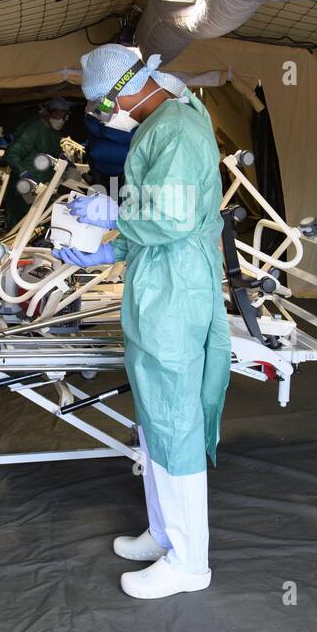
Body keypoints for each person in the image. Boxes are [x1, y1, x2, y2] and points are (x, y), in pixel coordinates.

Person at [55, 45, 231, 599]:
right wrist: (113, 248)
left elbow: (172, 218)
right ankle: (163, 533)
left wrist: (114, 215)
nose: (106, 115)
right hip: (161, 278)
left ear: (128, 89)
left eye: (104, 105)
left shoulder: (174, 129)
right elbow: (160, 216)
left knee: (174, 420)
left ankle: (189, 563)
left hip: (175, 289)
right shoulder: (164, 122)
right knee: (156, 418)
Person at [1, 96, 71, 230]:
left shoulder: (53, 132)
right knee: (20, 227)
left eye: (64, 115)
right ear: (47, 113)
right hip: (26, 186)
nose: (61, 119)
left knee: (40, 224)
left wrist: (65, 160)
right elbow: (11, 154)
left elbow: (54, 151)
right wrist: (24, 173)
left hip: (43, 185)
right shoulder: (33, 130)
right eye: (58, 114)